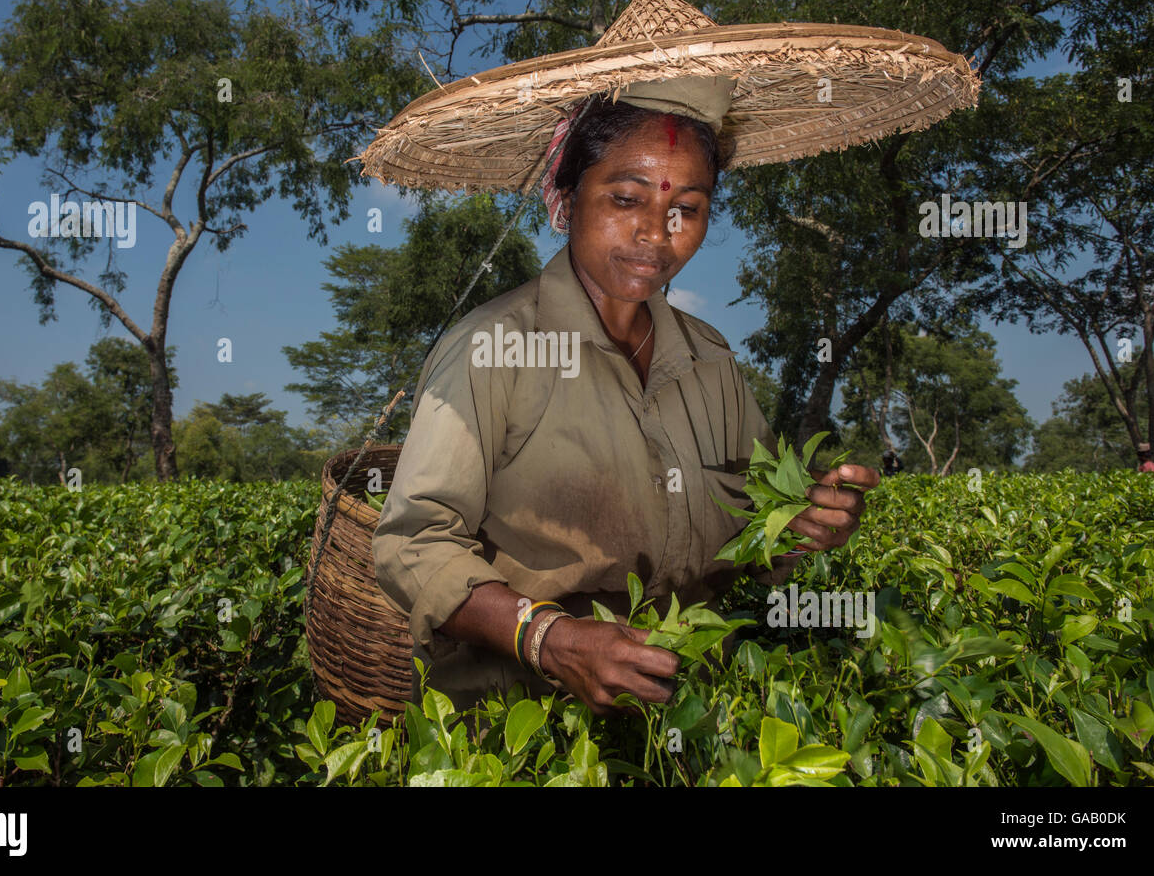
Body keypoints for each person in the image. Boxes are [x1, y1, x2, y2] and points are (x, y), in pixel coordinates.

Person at [372, 89, 880, 714]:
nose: (656, 233)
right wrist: (550, 640)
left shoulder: (711, 363)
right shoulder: (493, 349)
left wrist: (798, 524)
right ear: (568, 194)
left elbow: (749, 542)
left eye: (686, 208)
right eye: (625, 198)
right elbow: (412, 545)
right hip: (521, 736)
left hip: (691, 719)